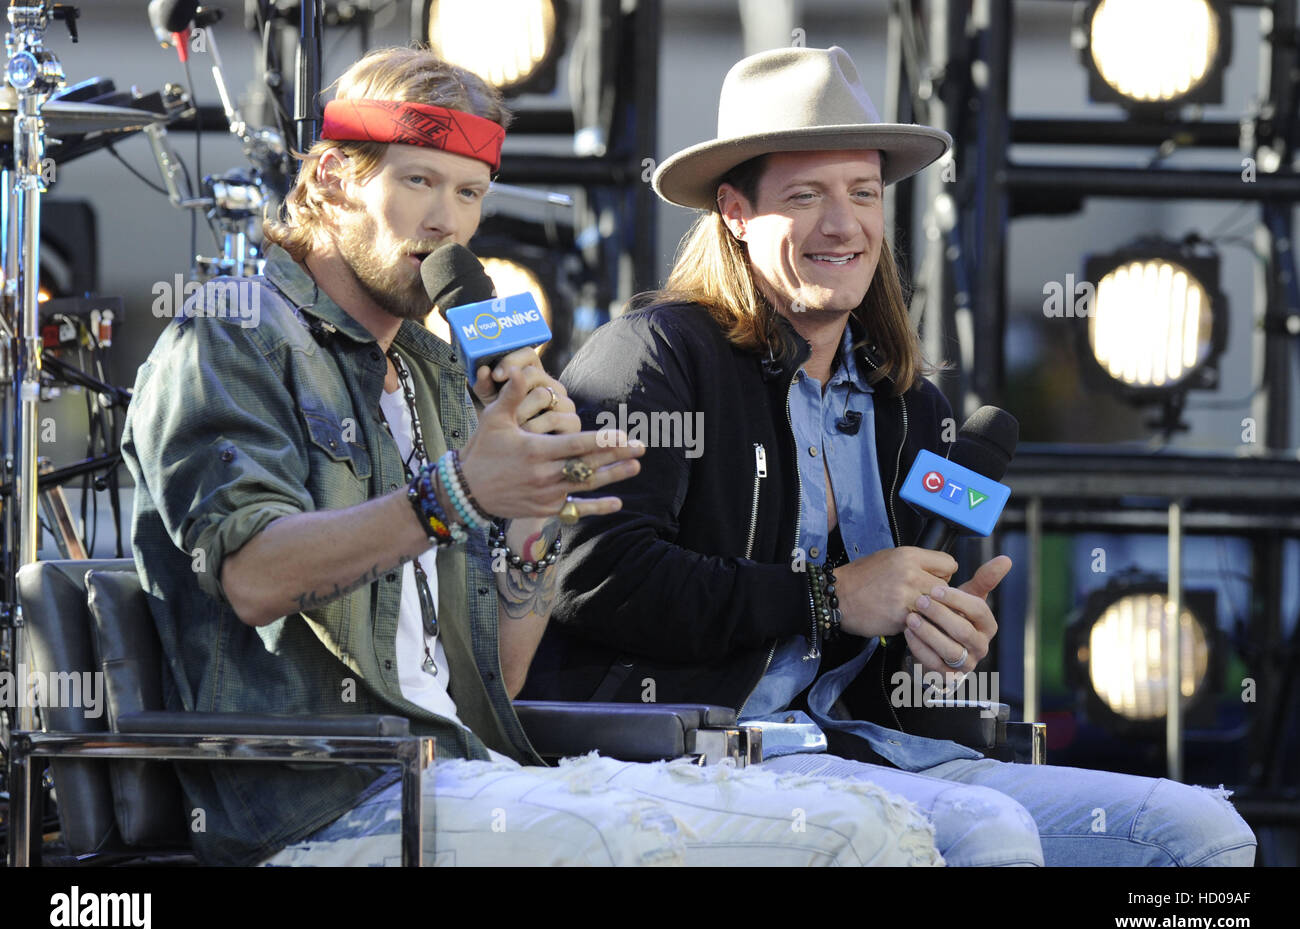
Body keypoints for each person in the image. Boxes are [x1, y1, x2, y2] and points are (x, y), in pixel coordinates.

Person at [120, 46, 945, 867]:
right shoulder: (232, 338)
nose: (447, 222)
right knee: (830, 837)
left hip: (468, 775)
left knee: (873, 830)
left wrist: (536, 520)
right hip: (319, 810)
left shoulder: (433, 370)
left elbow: (503, 679)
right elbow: (253, 577)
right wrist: (457, 495)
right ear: (333, 178)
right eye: (417, 181)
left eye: (470, 191)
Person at [525, 45, 1258, 867]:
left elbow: (892, 648)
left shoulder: (915, 408)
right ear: (733, 210)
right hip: (687, 761)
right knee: (987, 832)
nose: (843, 225)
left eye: (863, 193)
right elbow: (591, 575)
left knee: (1203, 834)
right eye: (805, 195)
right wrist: (827, 599)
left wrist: (938, 643)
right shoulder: (650, 354)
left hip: (875, 754)